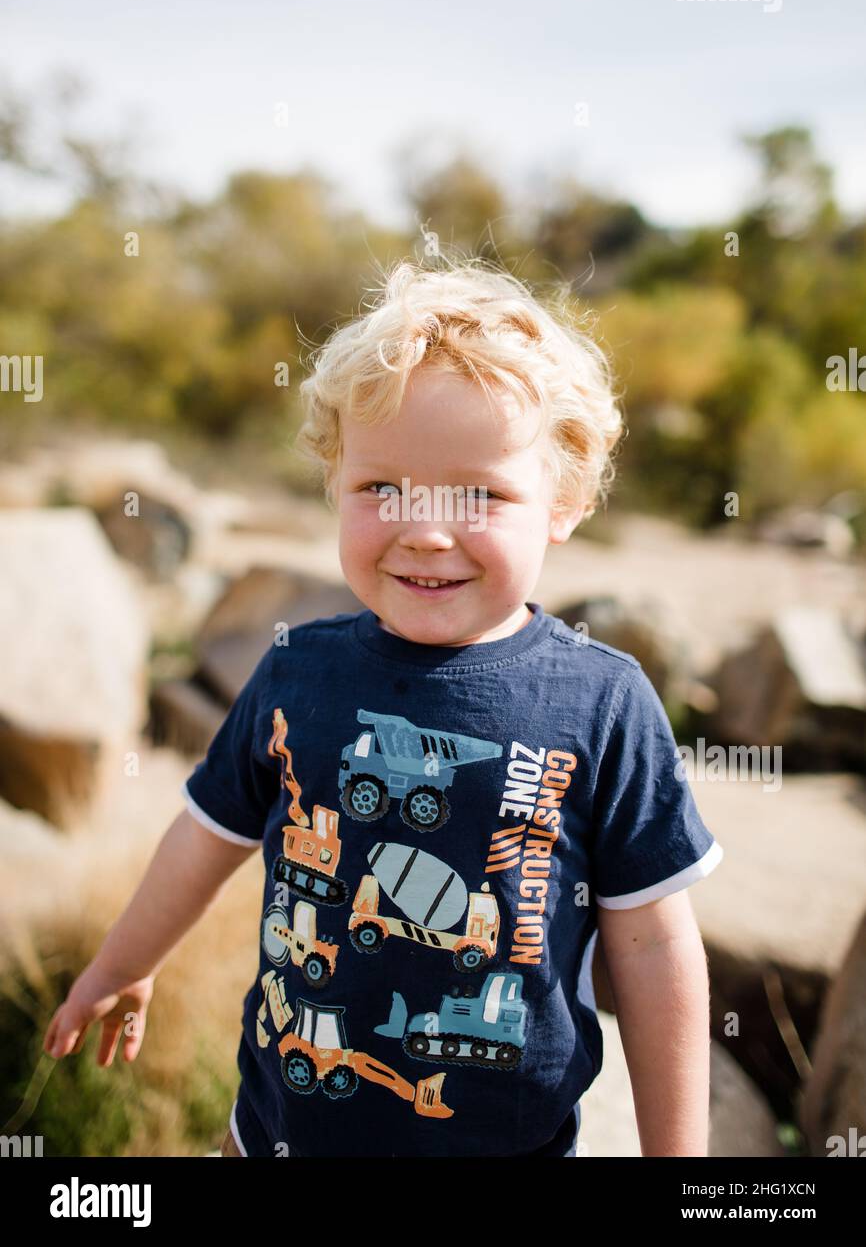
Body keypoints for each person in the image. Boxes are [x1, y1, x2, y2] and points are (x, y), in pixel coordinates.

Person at [43, 256, 723, 1158]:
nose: (424, 528)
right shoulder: (296, 670)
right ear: (334, 485)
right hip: (277, 1137)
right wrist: (125, 964)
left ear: (563, 502)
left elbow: (650, 946)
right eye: (382, 488)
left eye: (478, 493)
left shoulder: (602, 701)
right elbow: (208, 835)